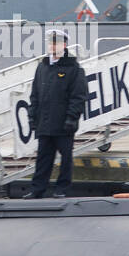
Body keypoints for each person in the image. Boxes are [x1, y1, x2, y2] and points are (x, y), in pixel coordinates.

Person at [25, 29, 87, 198]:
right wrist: (32, 115)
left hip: (63, 123)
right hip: (44, 122)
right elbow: (35, 94)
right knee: (43, 157)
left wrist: (72, 118)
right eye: (50, 43)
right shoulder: (42, 67)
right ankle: (37, 189)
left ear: (64, 45)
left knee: (66, 158)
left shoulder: (74, 68)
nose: (52, 46)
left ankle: (62, 189)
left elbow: (78, 96)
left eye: (56, 43)